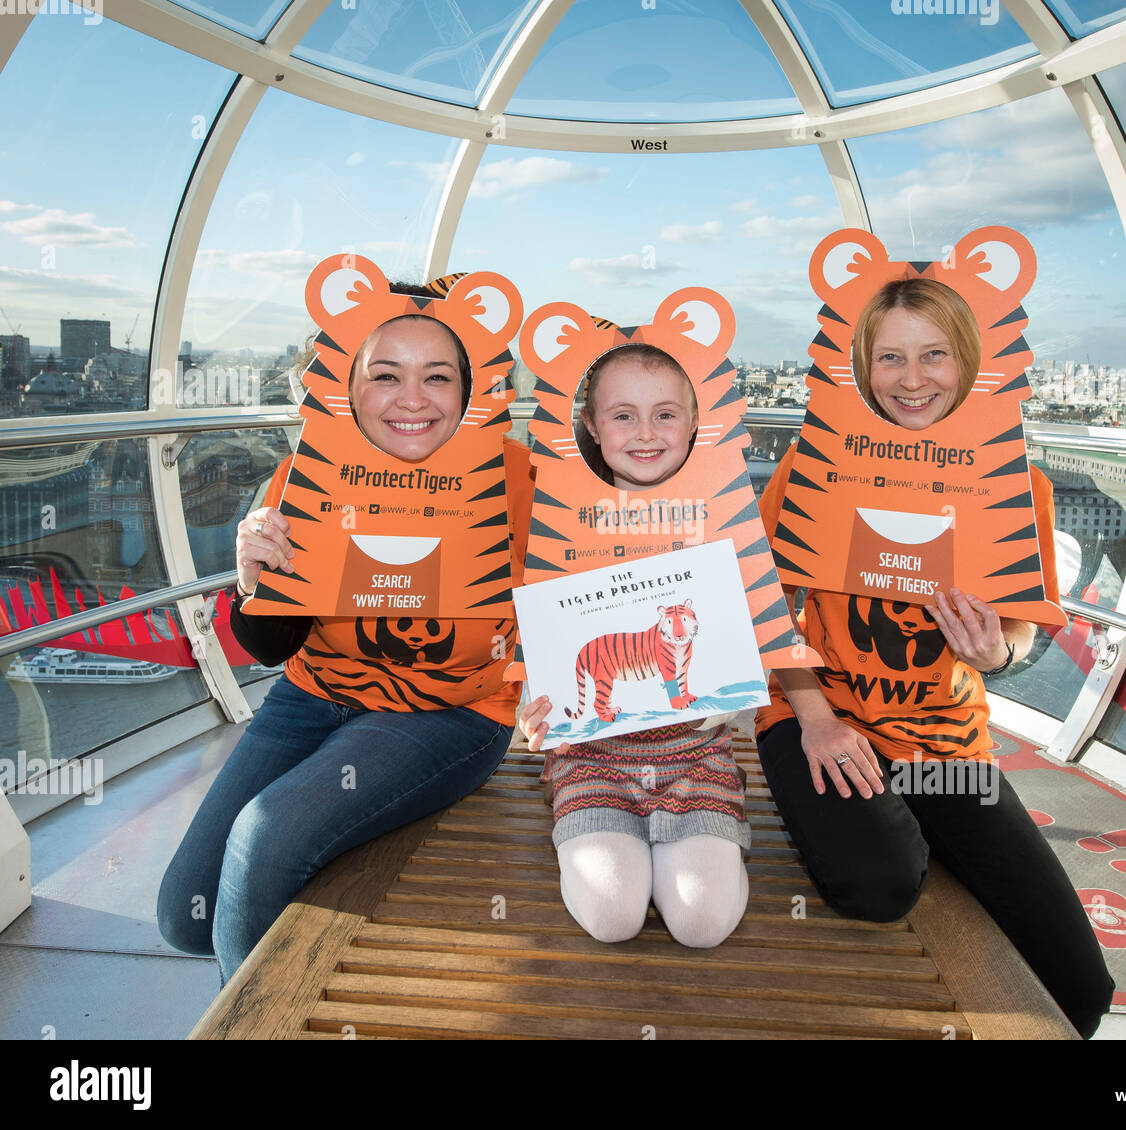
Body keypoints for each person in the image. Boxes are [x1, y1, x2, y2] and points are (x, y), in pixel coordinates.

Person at [756, 277, 1114, 1036]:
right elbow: (757, 602)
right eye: (890, 358)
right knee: (878, 885)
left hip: (944, 742)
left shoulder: (1020, 488)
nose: (912, 379)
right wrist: (813, 717)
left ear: (969, 362)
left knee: (1081, 987)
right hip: (818, 718)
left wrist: (994, 654)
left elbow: (1018, 636)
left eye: (934, 355)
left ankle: (898, 811)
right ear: (862, 366)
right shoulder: (808, 471)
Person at [157, 307, 533, 983]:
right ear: (348, 388)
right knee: (186, 917)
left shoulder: (513, 480)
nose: (413, 398)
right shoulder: (307, 478)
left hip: (449, 713)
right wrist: (251, 582)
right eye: (386, 374)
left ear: (469, 392)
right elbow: (272, 646)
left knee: (264, 835)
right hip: (311, 697)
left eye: (438, 377)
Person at [517, 343, 750, 948]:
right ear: (592, 426)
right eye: (622, 416)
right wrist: (533, 709)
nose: (645, 433)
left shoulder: (734, 524)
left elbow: (760, 647)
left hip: (697, 759)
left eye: (665, 414)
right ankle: (576, 805)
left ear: (696, 420)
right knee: (613, 917)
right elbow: (534, 648)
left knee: (703, 925)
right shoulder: (556, 526)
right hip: (591, 756)